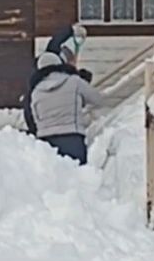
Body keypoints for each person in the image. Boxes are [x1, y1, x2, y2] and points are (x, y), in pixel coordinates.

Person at [25, 24, 106, 163]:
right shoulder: (74, 81)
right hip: (73, 138)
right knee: (78, 179)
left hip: (46, 143)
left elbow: (31, 116)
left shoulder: (35, 92)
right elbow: (98, 100)